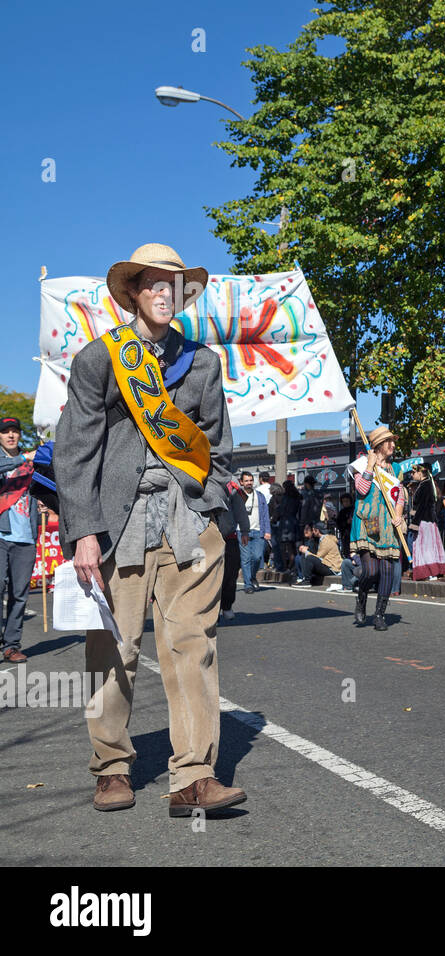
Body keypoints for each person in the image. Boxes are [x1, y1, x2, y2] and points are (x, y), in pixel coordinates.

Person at [55, 242, 247, 815]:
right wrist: (82, 530)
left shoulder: (204, 362)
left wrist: (210, 506)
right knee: (114, 650)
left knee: (193, 646)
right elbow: (75, 452)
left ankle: (193, 776)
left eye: (176, 286)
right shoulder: (100, 359)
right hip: (118, 524)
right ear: (134, 293)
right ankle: (112, 767)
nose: (166, 294)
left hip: (189, 523)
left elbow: (218, 445)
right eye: (155, 285)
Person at [349, 427, 407, 631]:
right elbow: (362, 489)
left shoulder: (397, 469)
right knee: (371, 571)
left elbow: (399, 494)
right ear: (378, 445)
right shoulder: (362, 464)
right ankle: (362, 595)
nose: (392, 445)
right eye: (388, 441)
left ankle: (379, 615)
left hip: (388, 524)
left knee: (387, 570)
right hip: (368, 522)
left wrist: (399, 514)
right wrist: (370, 466)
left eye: (393, 441)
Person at [0, 416, 37, 663]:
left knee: (20, 594)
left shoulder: (33, 464)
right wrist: (24, 458)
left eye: (14, 431)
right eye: (5, 432)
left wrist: (44, 503)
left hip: (26, 538)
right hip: (1, 535)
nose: (11, 435)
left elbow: (46, 487)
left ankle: (11, 645)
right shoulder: (19, 460)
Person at [218, 481, 250, 622]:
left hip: (228, 537)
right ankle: (210, 610)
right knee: (204, 575)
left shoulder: (231, 484)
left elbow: (240, 509)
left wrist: (244, 530)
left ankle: (226, 606)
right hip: (203, 538)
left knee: (230, 574)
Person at [239, 471, 272, 593]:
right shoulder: (237, 496)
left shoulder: (260, 496)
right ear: (241, 482)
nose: (249, 483)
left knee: (257, 557)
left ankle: (252, 577)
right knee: (246, 558)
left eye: (251, 480)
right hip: (242, 531)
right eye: (246, 481)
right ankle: (248, 584)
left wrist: (267, 531)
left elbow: (265, 514)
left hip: (258, 531)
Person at [293, 522, 344, 587]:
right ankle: (303, 578)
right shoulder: (324, 539)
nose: (313, 532)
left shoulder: (326, 540)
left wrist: (306, 551)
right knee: (304, 556)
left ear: (317, 531)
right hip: (328, 565)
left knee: (309, 558)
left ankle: (306, 581)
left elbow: (318, 557)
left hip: (332, 568)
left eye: (314, 530)